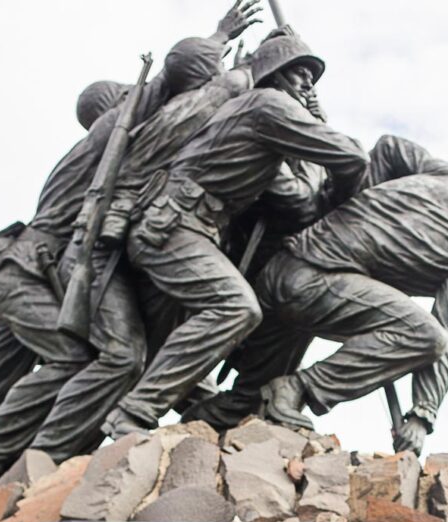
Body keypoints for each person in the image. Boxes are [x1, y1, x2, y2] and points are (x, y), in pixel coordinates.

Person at [0, 1, 260, 478]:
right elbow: (186, 96)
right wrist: (237, 64)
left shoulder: (118, 145)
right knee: (105, 356)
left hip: (36, 265)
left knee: (91, 359)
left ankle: (35, 460)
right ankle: (20, 462)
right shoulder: (111, 137)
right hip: (31, 268)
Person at [186, 135, 448, 450]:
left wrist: (354, 210)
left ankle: (176, 434)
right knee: (424, 334)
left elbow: (390, 147)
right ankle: (301, 388)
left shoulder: (445, 178)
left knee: (246, 402)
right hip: (313, 288)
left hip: (283, 270)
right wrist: (422, 416)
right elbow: (442, 338)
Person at [101, 28, 368, 439]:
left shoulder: (258, 108)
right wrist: (338, 194)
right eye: (299, 73)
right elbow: (349, 157)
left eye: (312, 77)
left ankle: (164, 411)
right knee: (236, 308)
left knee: (174, 339)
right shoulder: (269, 106)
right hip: (175, 226)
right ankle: (133, 415)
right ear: (275, 74)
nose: (307, 83)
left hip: (188, 228)